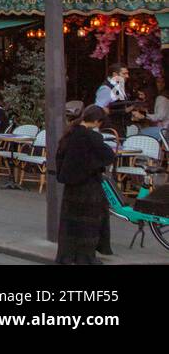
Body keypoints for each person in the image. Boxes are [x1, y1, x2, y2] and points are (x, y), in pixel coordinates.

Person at [55, 105, 117, 264]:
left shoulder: (69, 133)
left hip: (71, 187)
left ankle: (66, 256)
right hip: (89, 187)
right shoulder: (92, 137)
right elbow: (108, 156)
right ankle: (85, 257)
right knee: (88, 224)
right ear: (97, 121)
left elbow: (61, 157)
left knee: (70, 223)